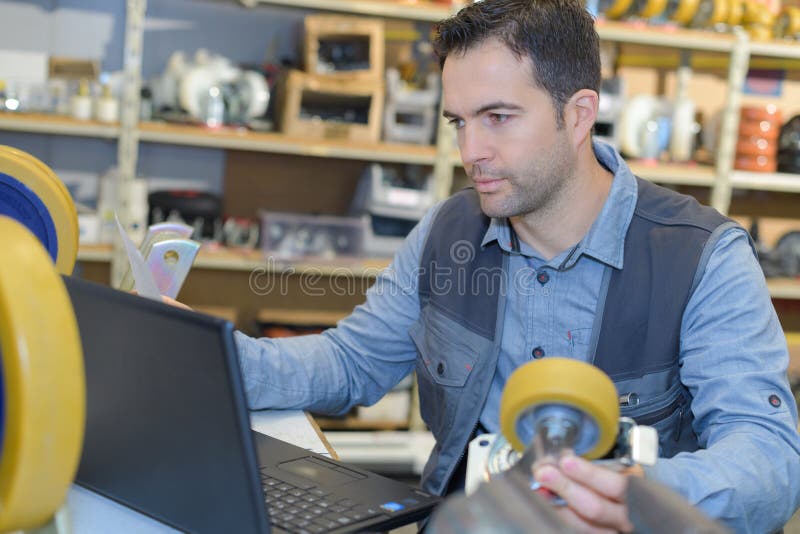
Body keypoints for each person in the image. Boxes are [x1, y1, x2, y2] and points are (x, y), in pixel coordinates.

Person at [235, 1, 800, 531]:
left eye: (498, 117)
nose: (471, 151)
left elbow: (769, 458)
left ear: (578, 115)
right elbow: (352, 361)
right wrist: (219, 360)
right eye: (459, 122)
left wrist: (627, 491)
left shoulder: (702, 257)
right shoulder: (447, 231)